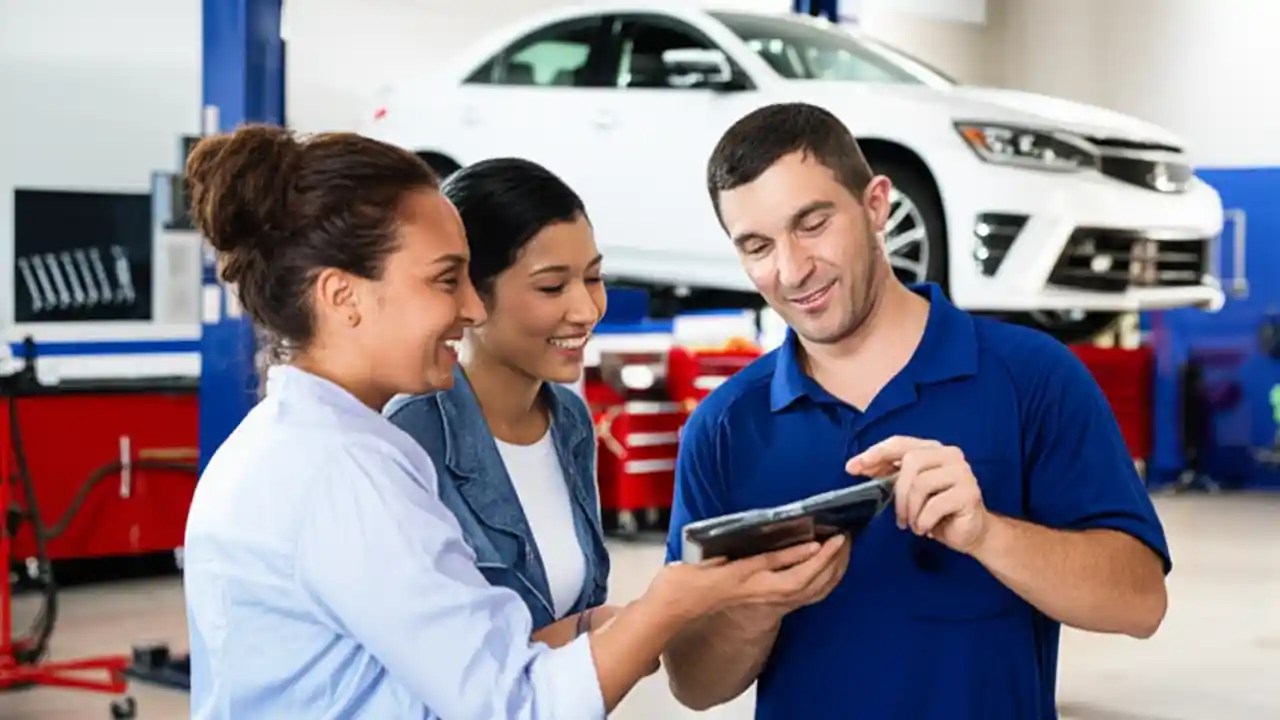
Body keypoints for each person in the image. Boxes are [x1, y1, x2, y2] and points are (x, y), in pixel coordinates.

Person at [179, 124, 848, 719]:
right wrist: (671, 603)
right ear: (342, 296)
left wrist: (622, 625)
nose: (471, 309)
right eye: (446, 280)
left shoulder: (313, 446)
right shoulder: (343, 471)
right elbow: (517, 704)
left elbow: (437, 667)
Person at [661, 102, 1172, 720]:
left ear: (876, 206)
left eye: (813, 224)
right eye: (757, 246)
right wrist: (755, 609)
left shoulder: (1032, 378)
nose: (791, 270)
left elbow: (1140, 603)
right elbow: (693, 684)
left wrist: (987, 534)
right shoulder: (723, 428)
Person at [384, 157, 609, 633]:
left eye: (593, 278)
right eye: (552, 287)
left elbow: (579, 611)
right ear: (471, 293)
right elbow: (436, 652)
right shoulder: (409, 437)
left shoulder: (568, 419)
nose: (586, 310)